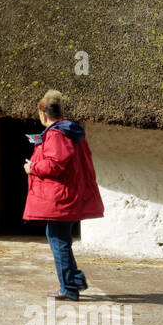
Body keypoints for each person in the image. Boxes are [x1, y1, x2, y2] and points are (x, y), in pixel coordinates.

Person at [22, 90, 104, 301]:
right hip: (66, 195)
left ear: (43, 112)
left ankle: (70, 287)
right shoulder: (69, 132)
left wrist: (33, 167)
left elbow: (56, 164)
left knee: (58, 240)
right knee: (59, 238)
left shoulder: (56, 134)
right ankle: (74, 282)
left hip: (60, 197)